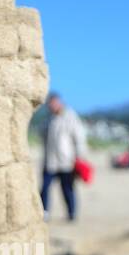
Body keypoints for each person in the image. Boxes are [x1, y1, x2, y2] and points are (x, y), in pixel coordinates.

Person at [40, 92, 86, 220]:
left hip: (67, 161)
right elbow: (42, 135)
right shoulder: (48, 119)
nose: (52, 106)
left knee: (67, 189)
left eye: (54, 103)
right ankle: (44, 213)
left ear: (59, 102)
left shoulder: (71, 116)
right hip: (50, 161)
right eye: (50, 104)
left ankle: (71, 214)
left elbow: (79, 138)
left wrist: (79, 157)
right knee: (44, 188)